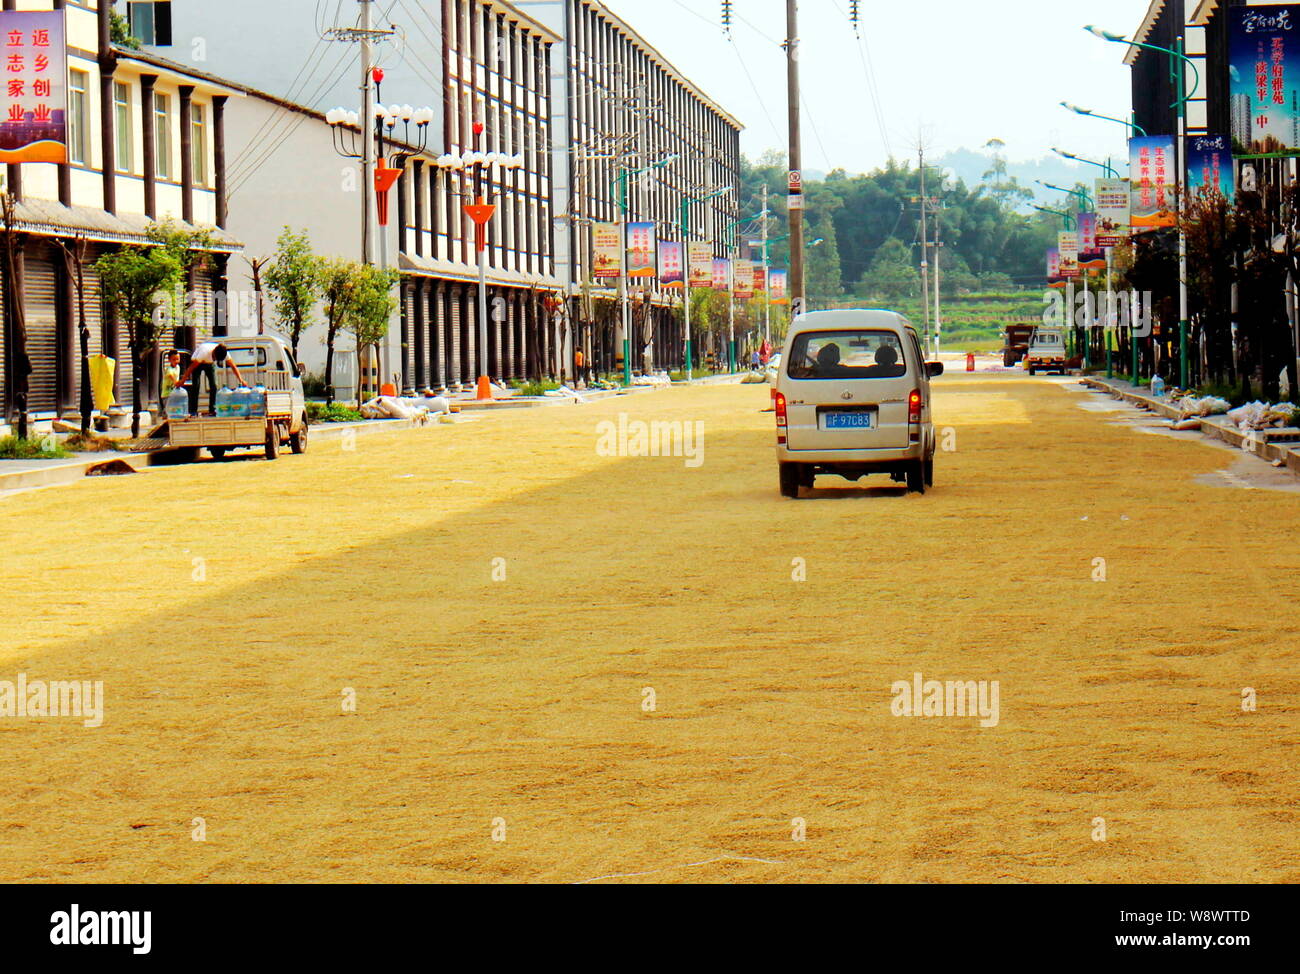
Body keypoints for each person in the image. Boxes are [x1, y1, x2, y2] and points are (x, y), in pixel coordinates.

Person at [177, 341, 244, 416]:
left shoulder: (225, 354)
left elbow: (233, 366)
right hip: (197, 362)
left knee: (214, 385)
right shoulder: (204, 353)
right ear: (213, 352)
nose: (214, 359)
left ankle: (212, 409)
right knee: (196, 385)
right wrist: (183, 379)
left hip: (209, 364)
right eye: (214, 357)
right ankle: (193, 411)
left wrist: (241, 380)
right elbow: (191, 368)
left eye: (216, 359)